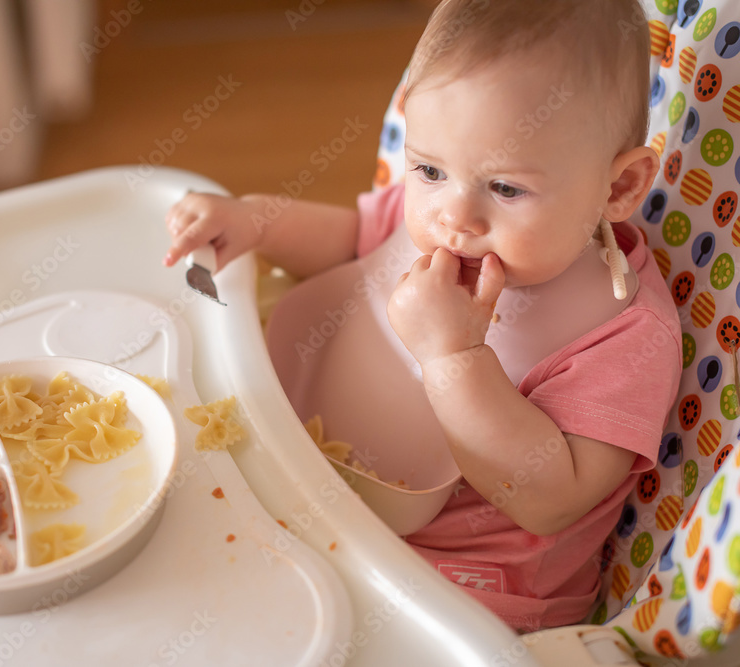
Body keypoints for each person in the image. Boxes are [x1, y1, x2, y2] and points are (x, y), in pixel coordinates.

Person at [163, 0, 682, 632]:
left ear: (619, 188)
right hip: (310, 474)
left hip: (456, 587)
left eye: (507, 189)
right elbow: (355, 236)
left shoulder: (623, 336)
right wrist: (252, 218)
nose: (452, 216)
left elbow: (552, 500)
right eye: (430, 170)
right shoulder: (442, 215)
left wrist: (453, 358)